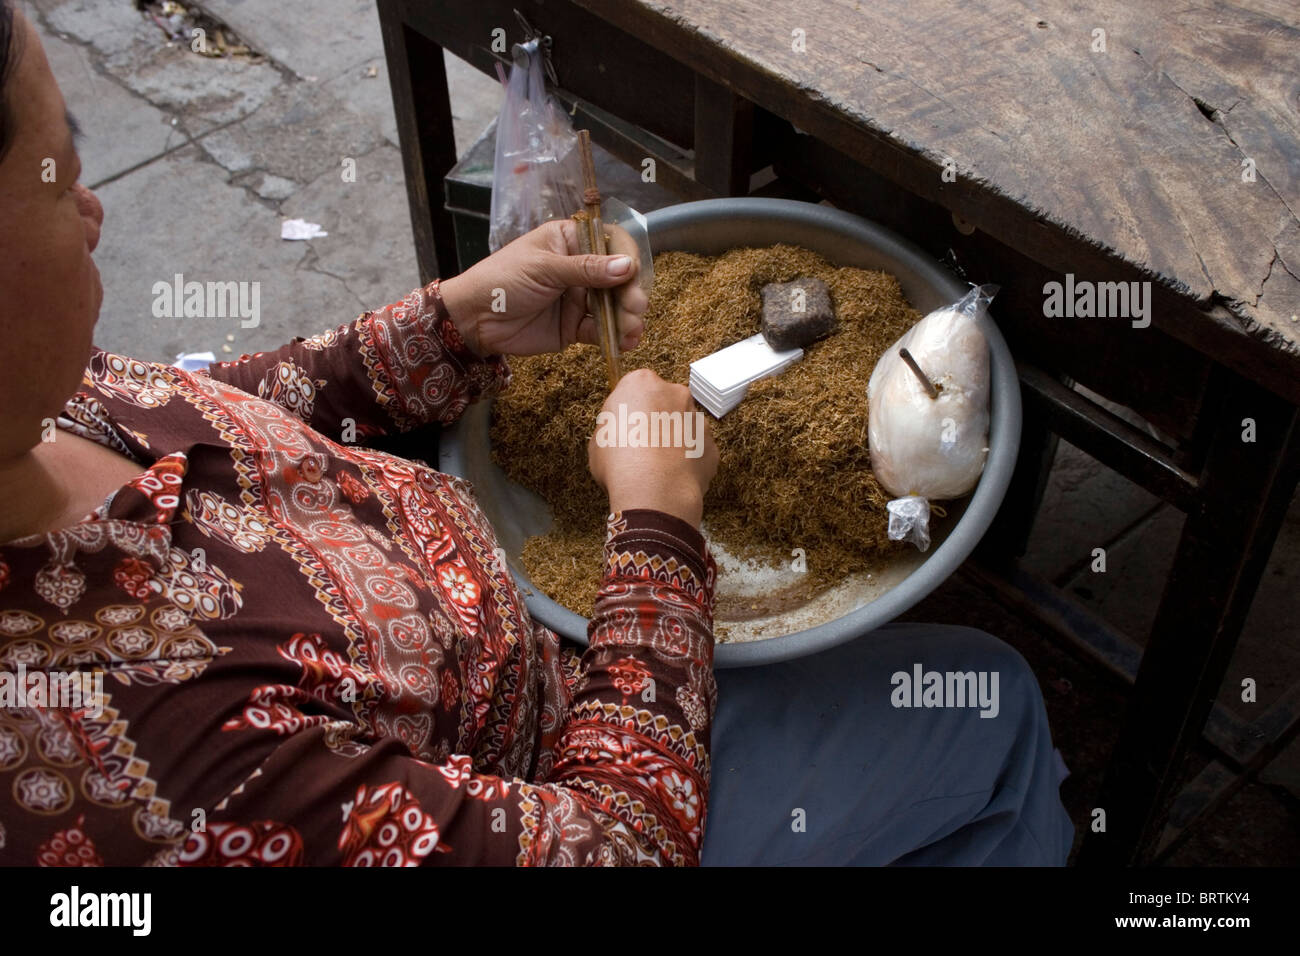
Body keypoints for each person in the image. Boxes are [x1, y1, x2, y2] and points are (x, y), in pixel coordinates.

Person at [0, 2, 1073, 866]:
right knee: (993, 704)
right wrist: (654, 523)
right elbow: (617, 845)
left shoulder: (40, 403)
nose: (93, 212)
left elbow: (231, 402)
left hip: (523, 644)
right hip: (573, 769)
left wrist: (450, 324)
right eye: (53, 179)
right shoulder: (153, 773)